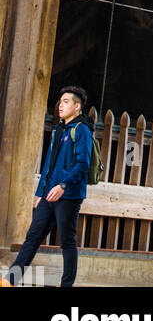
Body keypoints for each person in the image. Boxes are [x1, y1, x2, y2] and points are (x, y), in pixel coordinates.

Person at [6, 86, 94, 288]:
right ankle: (10, 281)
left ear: (77, 106)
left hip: (69, 195)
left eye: (66, 101)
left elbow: (83, 164)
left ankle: (66, 285)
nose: (60, 105)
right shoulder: (58, 129)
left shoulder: (82, 131)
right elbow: (49, 164)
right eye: (60, 101)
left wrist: (63, 185)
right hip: (49, 196)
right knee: (32, 237)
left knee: (67, 242)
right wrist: (41, 193)